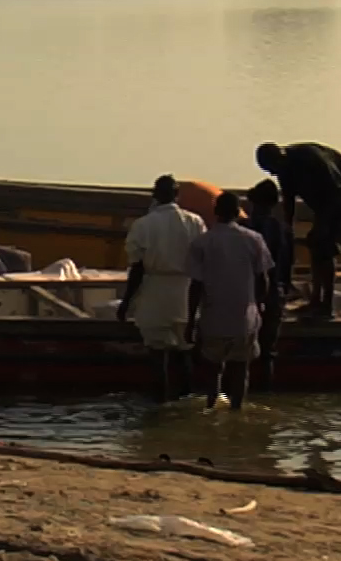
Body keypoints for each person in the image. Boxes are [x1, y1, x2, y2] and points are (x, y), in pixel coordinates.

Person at [256, 141, 341, 317]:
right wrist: (288, 228)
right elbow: (289, 200)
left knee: (326, 247)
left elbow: (340, 187)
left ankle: (326, 306)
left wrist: (323, 223)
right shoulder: (283, 169)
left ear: (281, 157)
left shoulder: (309, 156)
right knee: (314, 244)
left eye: (272, 168)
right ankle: (315, 301)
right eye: (269, 171)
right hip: (324, 202)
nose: (273, 173)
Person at [117, 174, 207, 401]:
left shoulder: (143, 225)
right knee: (184, 350)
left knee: (158, 353)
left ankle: (161, 401)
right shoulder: (195, 222)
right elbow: (204, 262)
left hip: (155, 291)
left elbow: (137, 269)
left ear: (155, 196)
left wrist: (127, 302)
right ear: (177, 195)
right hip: (186, 292)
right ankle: (186, 399)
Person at [186, 192, 275, 410]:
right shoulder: (254, 239)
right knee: (240, 368)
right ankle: (237, 410)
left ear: (215, 213)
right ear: (237, 212)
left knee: (213, 368)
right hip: (244, 316)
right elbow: (263, 280)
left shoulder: (202, 242)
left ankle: (211, 406)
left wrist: (190, 320)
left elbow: (195, 286)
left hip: (213, 316)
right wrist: (259, 304)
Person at [245, 179, 293, 388]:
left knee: (240, 349)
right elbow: (288, 265)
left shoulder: (246, 230)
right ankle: (265, 392)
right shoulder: (284, 230)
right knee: (267, 352)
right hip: (275, 292)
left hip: (246, 293)